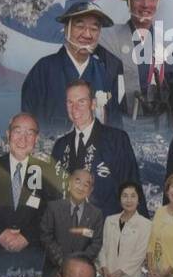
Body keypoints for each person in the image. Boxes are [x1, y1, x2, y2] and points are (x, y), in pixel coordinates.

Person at [0, 112, 60, 267]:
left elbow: (50, 211)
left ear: (36, 139)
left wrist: (26, 237)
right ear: (8, 134)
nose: (23, 139)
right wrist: (1, 234)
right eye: (17, 132)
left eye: (29, 133)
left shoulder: (47, 172)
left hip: (33, 255)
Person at [21, 0, 123, 134]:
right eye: (80, 26)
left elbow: (115, 124)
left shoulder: (104, 72)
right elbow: (29, 121)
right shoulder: (44, 69)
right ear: (66, 29)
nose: (87, 35)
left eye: (94, 28)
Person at [106, 0, 173, 130]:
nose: (145, 4)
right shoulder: (110, 41)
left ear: (157, 2)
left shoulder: (169, 44)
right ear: (128, 1)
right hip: (120, 125)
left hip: (162, 126)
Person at [50, 79, 143, 218]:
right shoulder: (60, 146)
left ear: (93, 104)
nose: (75, 108)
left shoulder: (116, 140)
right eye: (70, 102)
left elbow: (132, 189)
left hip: (106, 231)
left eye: (81, 101)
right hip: (68, 233)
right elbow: (53, 195)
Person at [39, 169, 103, 277]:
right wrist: (63, 262)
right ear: (69, 183)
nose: (81, 187)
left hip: (81, 275)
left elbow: (96, 242)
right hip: (54, 273)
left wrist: (78, 265)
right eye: (78, 181)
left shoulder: (96, 214)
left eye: (86, 185)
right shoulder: (53, 208)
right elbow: (46, 237)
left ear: (90, 191)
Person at [97, 182, 152, 277]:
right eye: (125, 196)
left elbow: (140, 255)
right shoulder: (110, 220)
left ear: (139, 200)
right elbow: (103, 247)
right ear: (120, 199)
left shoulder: (146, 224)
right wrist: (104, 267)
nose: (129, 200)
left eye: (133, 196)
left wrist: (118, 273)